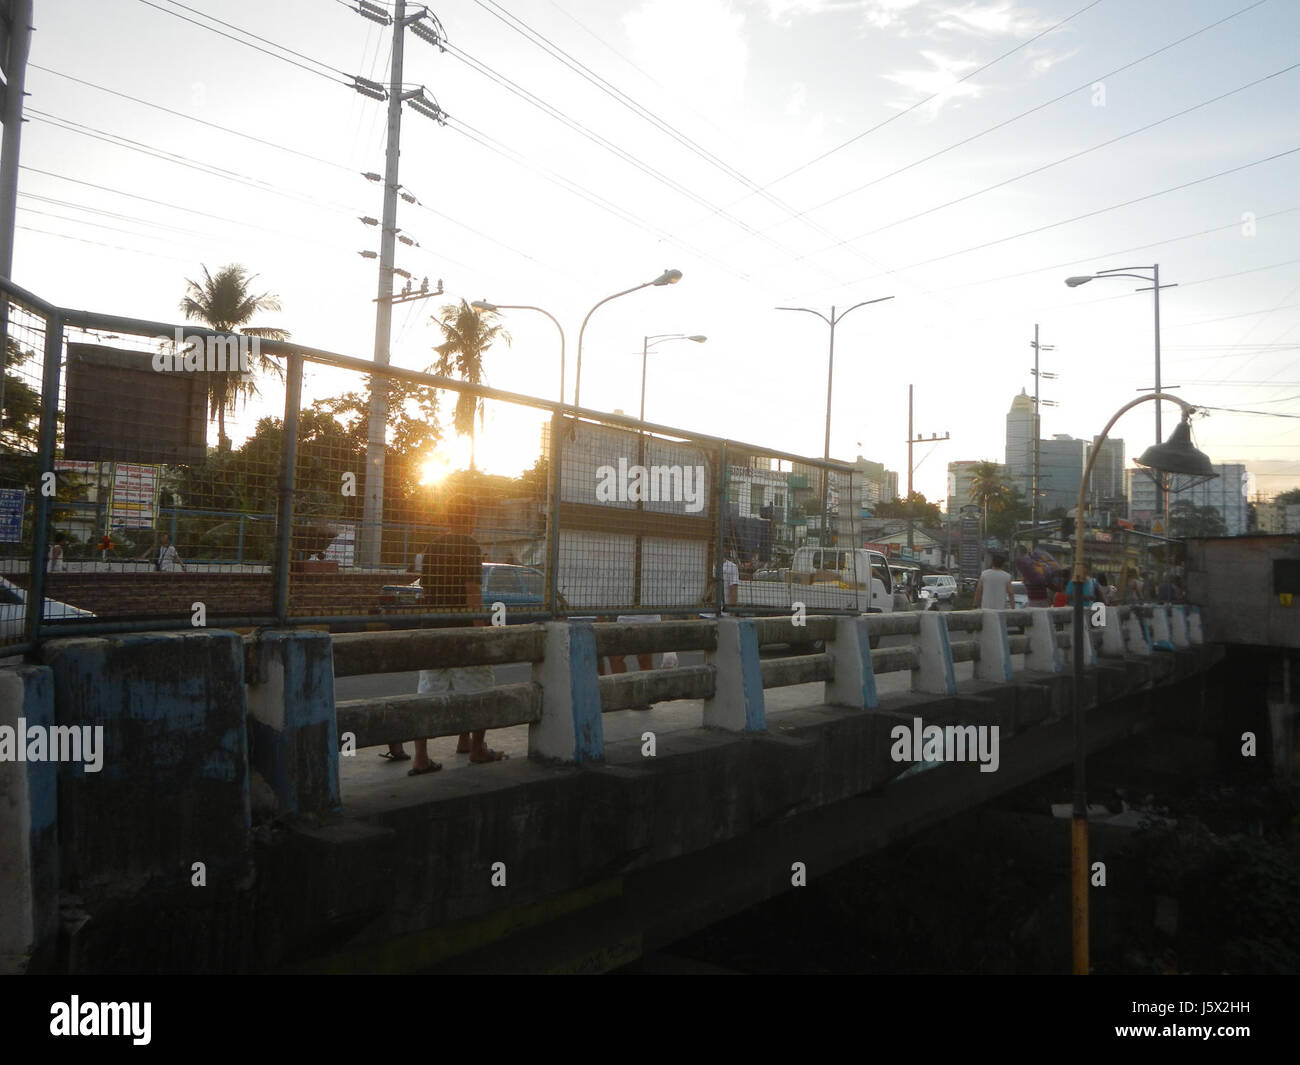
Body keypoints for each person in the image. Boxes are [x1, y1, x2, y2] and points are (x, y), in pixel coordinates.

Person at [389, 493, 506, 775]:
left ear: (449, 518)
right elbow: (472, 593)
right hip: (461, 628)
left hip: (433, 627)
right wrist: (481, 632)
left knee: (429, 692)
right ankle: (476, 748)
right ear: (472, 519)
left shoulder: (432, 547)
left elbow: (427, 590)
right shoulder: (469, 545)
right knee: (479, 688)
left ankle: (422, 757)